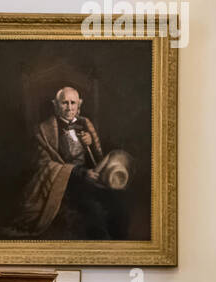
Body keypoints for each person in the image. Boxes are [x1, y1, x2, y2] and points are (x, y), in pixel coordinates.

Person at [9, 86, 129, 239]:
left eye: (73, 103)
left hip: (93, 177)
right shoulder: (44, 130)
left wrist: (91, 143)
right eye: (64, 103)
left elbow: (98, 157)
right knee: (94, 211)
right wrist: (79, 173)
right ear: (55, 104)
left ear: (79, 104)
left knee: (118, 203)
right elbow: (43, 164)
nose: (69, 107)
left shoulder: (86, 124)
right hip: (64, 184)